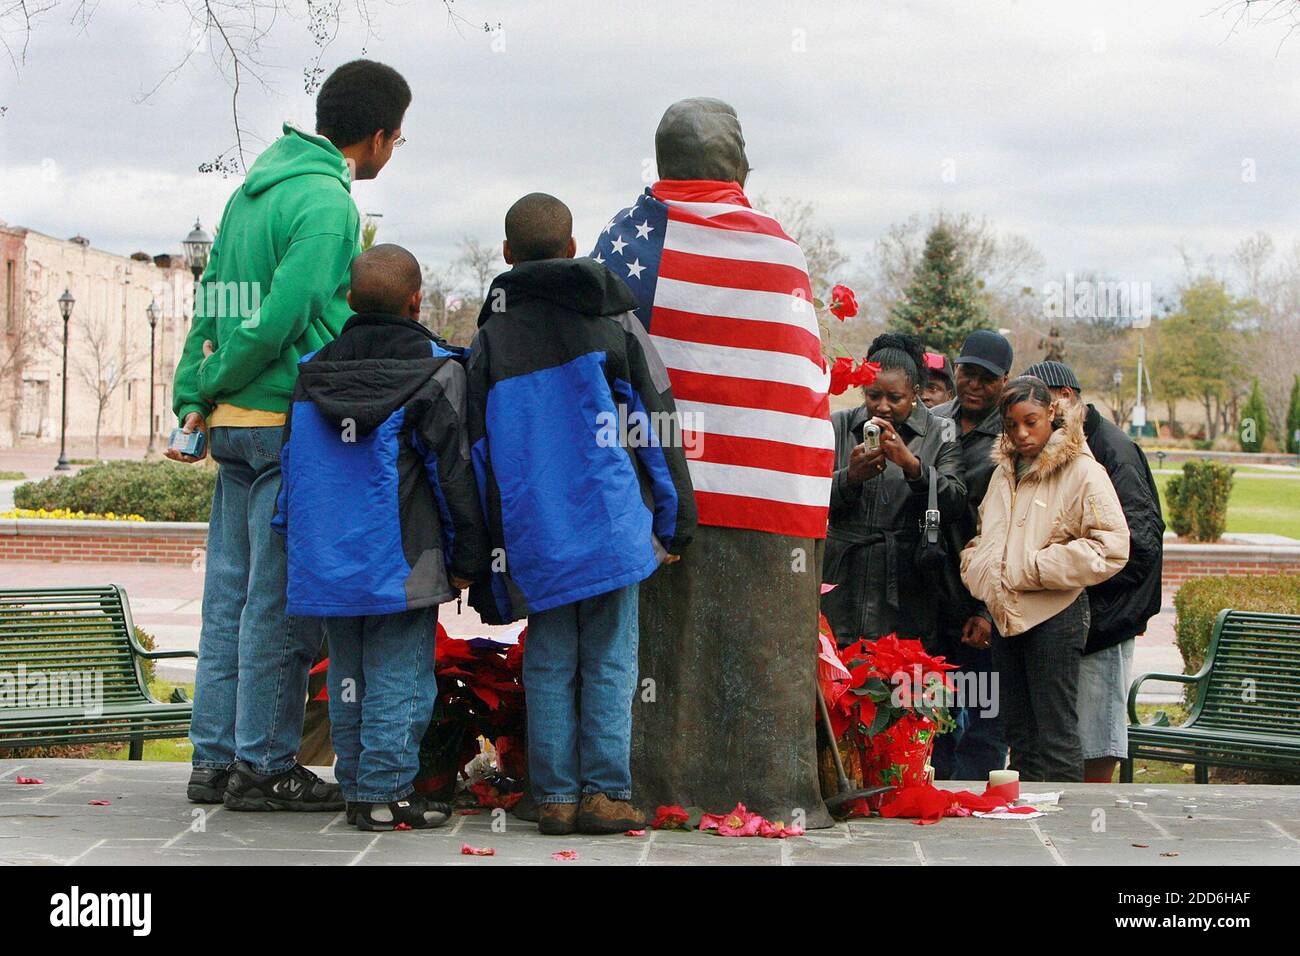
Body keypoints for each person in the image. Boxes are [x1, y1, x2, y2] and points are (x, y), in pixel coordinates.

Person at [169, 59, 411, 809]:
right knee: (278, 608)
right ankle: (266, 765)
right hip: (285, 421)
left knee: (228, 599)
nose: (393, 151)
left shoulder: (248, 194)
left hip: (234, 430)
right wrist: (214, 380)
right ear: (375, 137)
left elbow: (215, 301)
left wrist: (194, 394)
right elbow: (282, 314)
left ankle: (212, 761)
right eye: (397, 139)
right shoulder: (328, 203)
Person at [591, 98, 836, 827]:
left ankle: (647, 785)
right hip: (766, 494)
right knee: (756, 653)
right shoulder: (776, 248)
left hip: (652, 492)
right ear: (733, 159)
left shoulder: (622, 240)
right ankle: (770, 791)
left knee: (654, 659)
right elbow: (804, 380)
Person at [466, 193, 696, 836]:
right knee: (612, 660)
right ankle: (606, 793)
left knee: (547, 660)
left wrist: (487, 556)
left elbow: (475, 458)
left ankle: (556, 798)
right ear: (572, 249)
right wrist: (676, 517)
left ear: (507, 255)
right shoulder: (613, 320)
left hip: (535, 538)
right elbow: (656, 421)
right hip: (613, 529)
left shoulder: (489, 339)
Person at [272, 244, 488, 829]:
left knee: (348, 674)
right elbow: (456, 475)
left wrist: (292, 540)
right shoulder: (438, 372)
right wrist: (470, 556)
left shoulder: (311, 372)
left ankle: (357, 786)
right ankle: (386, 792)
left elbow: (292, 466)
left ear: (349, 300)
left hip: (326, 557)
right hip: (402, 558)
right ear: (416, 301)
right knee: (400, 674)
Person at [960, 376, 1130, 782]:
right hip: (1007, 617)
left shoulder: (1082, 470)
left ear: (1051, 413)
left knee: (1055, 734)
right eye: (1012, 425)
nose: (1021, 434)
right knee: (1019, 733)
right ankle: (1029, 820)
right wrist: (978, 568)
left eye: (1031, 422)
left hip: (1056, 616)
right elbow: (986, 533)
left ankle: (1066, 825)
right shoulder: (1004, 471)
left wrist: (1033, 567)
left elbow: (1112, 547)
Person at [1022, 360, 1165, 783]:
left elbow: (1139, 545)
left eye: (1039, 406)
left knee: (1095, 739)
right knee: (1063, 737)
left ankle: (1091, 826)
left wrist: (1073, 587)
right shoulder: (1057, 447)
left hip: (1104, 618)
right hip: (1071, 615)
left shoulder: (1112, 450)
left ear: (1064, 398)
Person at [821, 333, 966, 644]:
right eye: (873, 395)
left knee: (899, 680)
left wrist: (913, 467)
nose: (882, 407)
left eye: (895, 398)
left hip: (906, 584)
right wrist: (850, 478)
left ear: (914, 393)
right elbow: (809, 498)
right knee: (840, 680)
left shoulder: (941, 433)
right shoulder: (839, 425)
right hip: (842, 581)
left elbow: (956, 502)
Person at [928, 330, 1014, 780]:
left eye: (986, 378)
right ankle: (932, 797)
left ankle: (980, 811)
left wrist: (984, 606)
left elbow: (1009, 529)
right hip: (926, 588)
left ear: (1004, 382)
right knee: (928, 711)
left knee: (982, 716)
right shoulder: (933, 420)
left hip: (978, 593)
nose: (974, 385)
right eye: (967, 373)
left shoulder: (1012, 434)